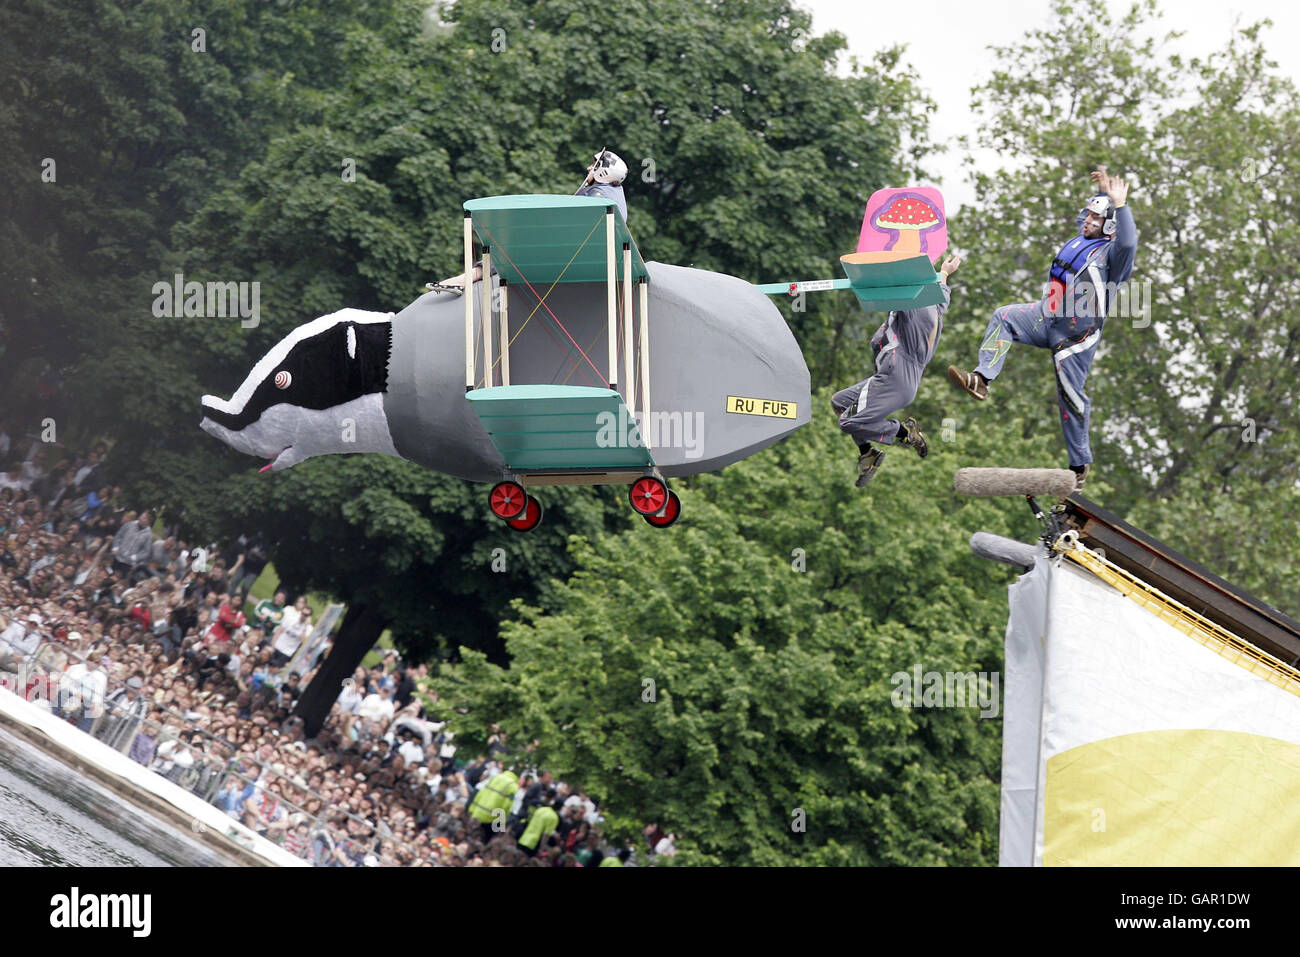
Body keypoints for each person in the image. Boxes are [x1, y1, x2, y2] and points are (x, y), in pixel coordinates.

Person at [947, 167, 1137, 489]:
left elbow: (1129, 241)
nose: (1087, 221)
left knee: (1070, 396)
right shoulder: (1083, 236)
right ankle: (981, 379)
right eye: (1087, 216)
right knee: (1003, 316)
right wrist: (1103, 192)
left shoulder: (1113, 256)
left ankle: (1079, 465)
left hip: (1076, 337)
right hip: (1044, 316)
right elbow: (1089, 216)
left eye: (1094, 219)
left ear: (1109, 227)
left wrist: (1120, 205)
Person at [832, 255, 961, 487]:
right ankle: (867, 452)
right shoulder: (934, 304)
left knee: (846, 421)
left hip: (895, 378)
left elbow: (889, 290)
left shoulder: (914, 306)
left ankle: (902, 431)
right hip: (896, 378)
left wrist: (868, 274)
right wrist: (945, 273)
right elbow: (943, 296)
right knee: (840, 402)